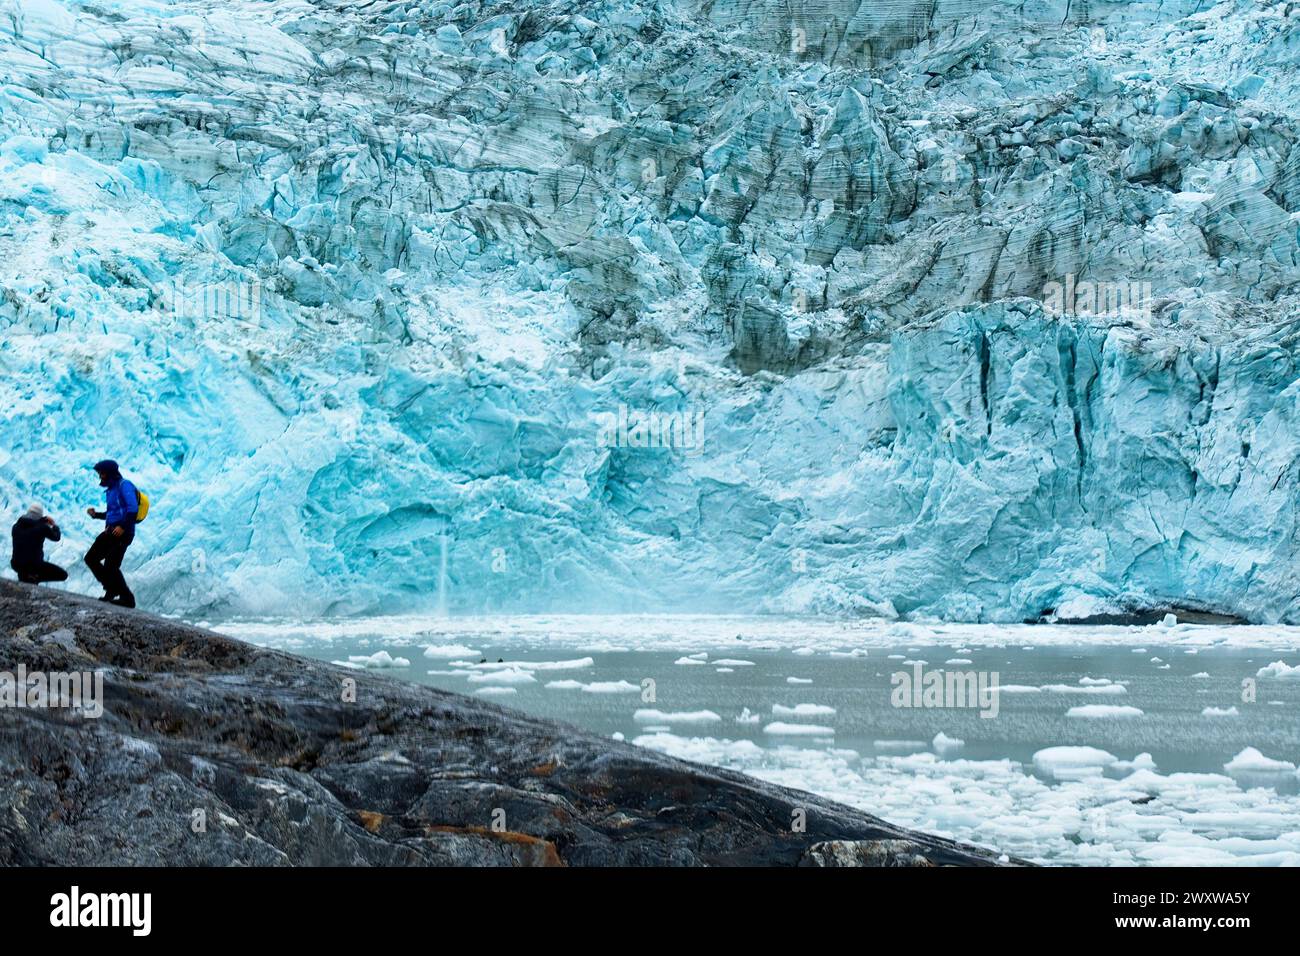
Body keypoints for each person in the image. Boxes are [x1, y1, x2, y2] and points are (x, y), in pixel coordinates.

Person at [85, 459, 138, 608]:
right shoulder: (111, 490)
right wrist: (96, 515)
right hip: (111, 531)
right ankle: (111, 589)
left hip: (123, 532)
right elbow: (113, 512)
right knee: (93, 559)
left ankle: (127, 598)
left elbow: (132, 508)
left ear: (109, 473)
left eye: (102, 473)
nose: (100, 476)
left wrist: (123, 526)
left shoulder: (124, 485)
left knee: (111, 565)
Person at [10, 503, 68, 585]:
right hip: (34, 565)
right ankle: (34, 578)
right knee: (63, 575)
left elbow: (30, 525)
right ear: (40, 515)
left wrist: (42, 521)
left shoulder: (16, 527)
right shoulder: (42, 528)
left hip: (17, 564)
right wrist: (54, 526)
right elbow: (56, 537)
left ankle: (26, 576)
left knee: (25, 571)